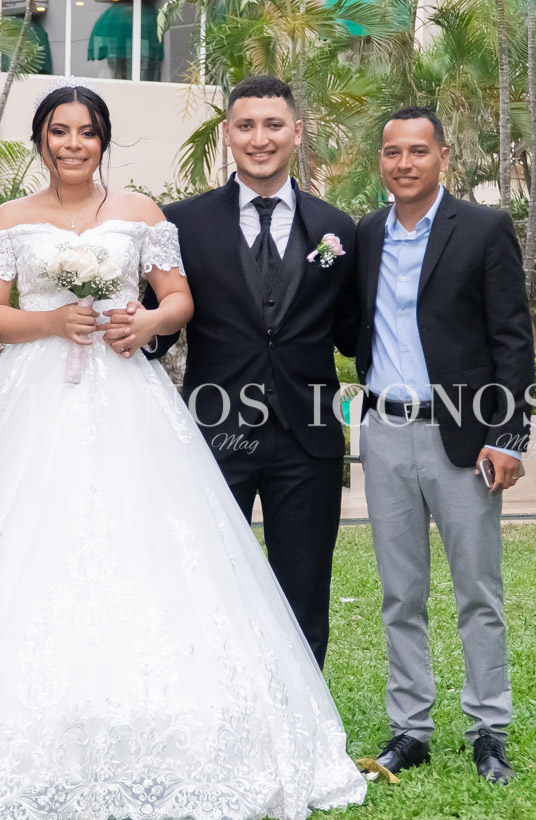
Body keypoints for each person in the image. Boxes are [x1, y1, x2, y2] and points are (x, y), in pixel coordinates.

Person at [0, 82, 366, 819]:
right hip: (32, 401)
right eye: (58, 131)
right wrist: (54, 321)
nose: (72, 144)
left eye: (86, 132)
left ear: (103, 140)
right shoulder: (8, 218)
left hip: (127, 391)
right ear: (40, 140)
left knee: (149, 550)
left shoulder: (139, 212)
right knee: (26, 551)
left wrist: (146, 321)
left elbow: (181, 297)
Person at [106, 76, 360, 669]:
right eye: (245, 125)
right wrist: (130, 325)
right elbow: (159, 322)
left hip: (309, 437)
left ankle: (302, 731)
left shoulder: (336, 229)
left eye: (273, 125)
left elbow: (353, 328)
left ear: (296, 133)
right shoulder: (182, 223)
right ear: (228, 135)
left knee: (304, 591)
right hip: (215, 432)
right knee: (206, 585)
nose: (259, 138)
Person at [354, 107, 535, 784]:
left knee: (476, 591)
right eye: (392, 151)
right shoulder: (366, 234)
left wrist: (508, 437)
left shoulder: (484, 229)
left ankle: (489, 727)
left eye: (418, 151)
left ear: (443, 157)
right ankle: (411, 729)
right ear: (383, 159)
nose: (404, 163)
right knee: (400, 594)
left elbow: (512, 341)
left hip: (463, 434)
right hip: (384, 432)